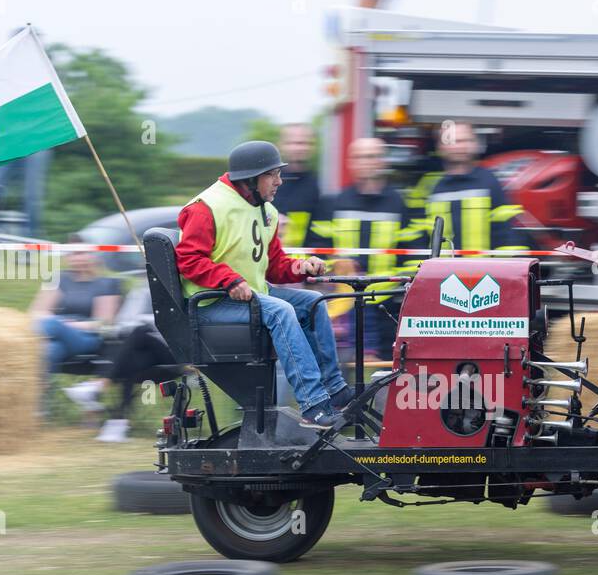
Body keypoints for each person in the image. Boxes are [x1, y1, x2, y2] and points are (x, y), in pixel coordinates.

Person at [175, 140, 352, 430]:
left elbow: (273, 264)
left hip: (250, 296)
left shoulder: (265, 210)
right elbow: (189, 260)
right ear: (250, 180)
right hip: (210, 303)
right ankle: (313, 405)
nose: (280, 182)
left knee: (314, 302)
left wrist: (300, 266)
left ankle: (335, 391)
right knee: (280, 310)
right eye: (273, 175)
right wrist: (229, 280)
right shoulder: (206, 208)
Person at [311, 137, 418, 361]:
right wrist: (334, 269)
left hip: (386, 305)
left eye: (372, 156)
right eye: (360, 157)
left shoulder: (400, 204)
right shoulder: (333, 203)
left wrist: (399, 286)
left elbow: (412, 254)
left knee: (385, 373)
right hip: (345, 307)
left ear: (382, 161)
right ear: (350, 162)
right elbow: (318, 250)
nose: (366, 162)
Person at [62, 283, 179, 442]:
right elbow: (122, 322)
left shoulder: (173, 290)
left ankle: (99, 386)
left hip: (173, 351)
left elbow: (168, 323)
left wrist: (137, 324)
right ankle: (117, 423)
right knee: (131, 359)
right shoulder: (140, 292)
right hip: (144, 353)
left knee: (140, 330)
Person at [419, 121, 524, 254]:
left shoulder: (490, 182)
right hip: (442, 273)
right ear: (440, 147)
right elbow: (422, 240)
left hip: (483, 272)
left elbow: (506, 234)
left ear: (475, 144)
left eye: (465, 140)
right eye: (453, 141)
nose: (459, 147)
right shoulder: (431, 188)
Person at [28, 242, 122, 385]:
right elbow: (35, 312)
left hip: (88, 337)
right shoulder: (58, 278)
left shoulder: (106, 283)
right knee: (50, 351)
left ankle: (12, 346)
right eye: (73, 253)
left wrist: (69, 325)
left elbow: (104, 324)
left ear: (95, 255)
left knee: (52, 324)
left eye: (82, 253)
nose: (77, 258)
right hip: (60, 331)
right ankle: (40, 402)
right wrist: (61, 325)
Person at [271, 123, 321, 249]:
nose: (299, 148)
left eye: (304, 143)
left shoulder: (321, 186)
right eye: (293, 143)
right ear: (280, 145)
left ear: (313, 147)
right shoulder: (265, 182)